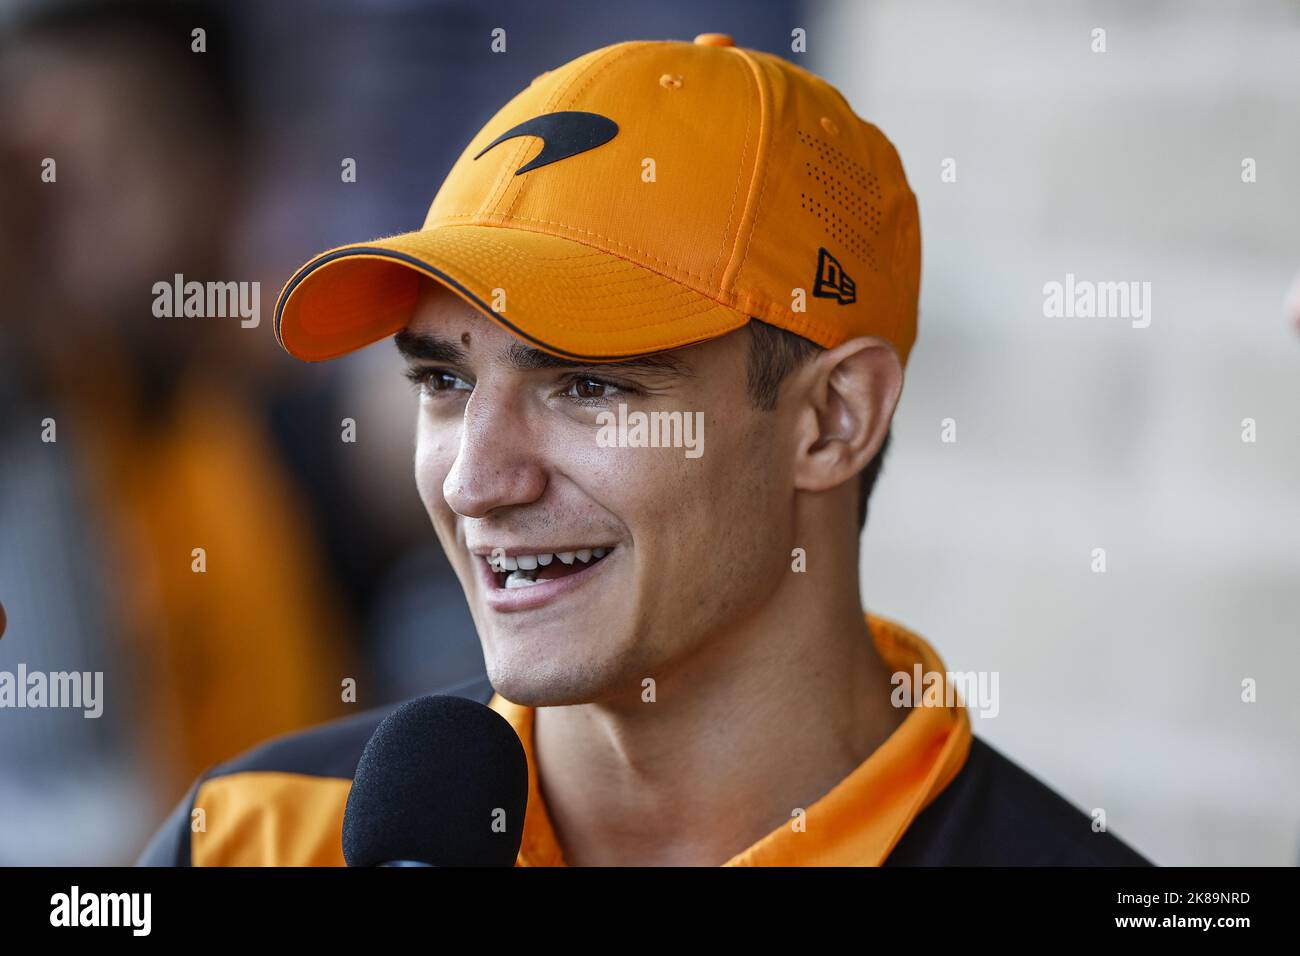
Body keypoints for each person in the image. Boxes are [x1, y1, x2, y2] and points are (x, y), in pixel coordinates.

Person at [139, 33, 1151, 866]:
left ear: (833, 419)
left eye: (586, 384)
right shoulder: (250, 837)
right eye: (442, 381)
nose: (473, 479)